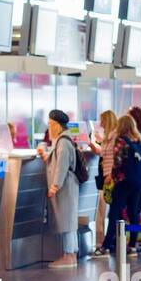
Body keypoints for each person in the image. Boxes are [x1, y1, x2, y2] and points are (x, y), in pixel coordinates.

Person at [102, 114, 141, 257]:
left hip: (123, 182)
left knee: (114, 213)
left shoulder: (121, 141)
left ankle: (106, 246)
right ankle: (133, 246)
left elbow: (117, 162)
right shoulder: (138, 140)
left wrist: (111, 176)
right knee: (132, 212)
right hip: (138, 181)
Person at [40, 109, 81, 269]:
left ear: (57, 125)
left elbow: (61, 166)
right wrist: (44, 155)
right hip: (66, 186)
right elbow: (55, 162)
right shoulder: (62, 140)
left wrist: (54, 186)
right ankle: (71, 254)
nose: (49, 128)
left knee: (67, 223)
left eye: (51, 124)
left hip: (65, 187)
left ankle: (68, 255)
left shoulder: (63, 141)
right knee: (67, 221)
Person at [89, 110, 118, 256]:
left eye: (102, 120)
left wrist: (110, 174)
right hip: (107, 178)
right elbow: (104, 153)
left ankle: (104, 244)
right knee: (108, 211)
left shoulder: (113, 137)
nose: (100, 124)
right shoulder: (110, 136)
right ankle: (106, 242)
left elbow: (111, 156)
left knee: (106, 211)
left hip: (109, 180)